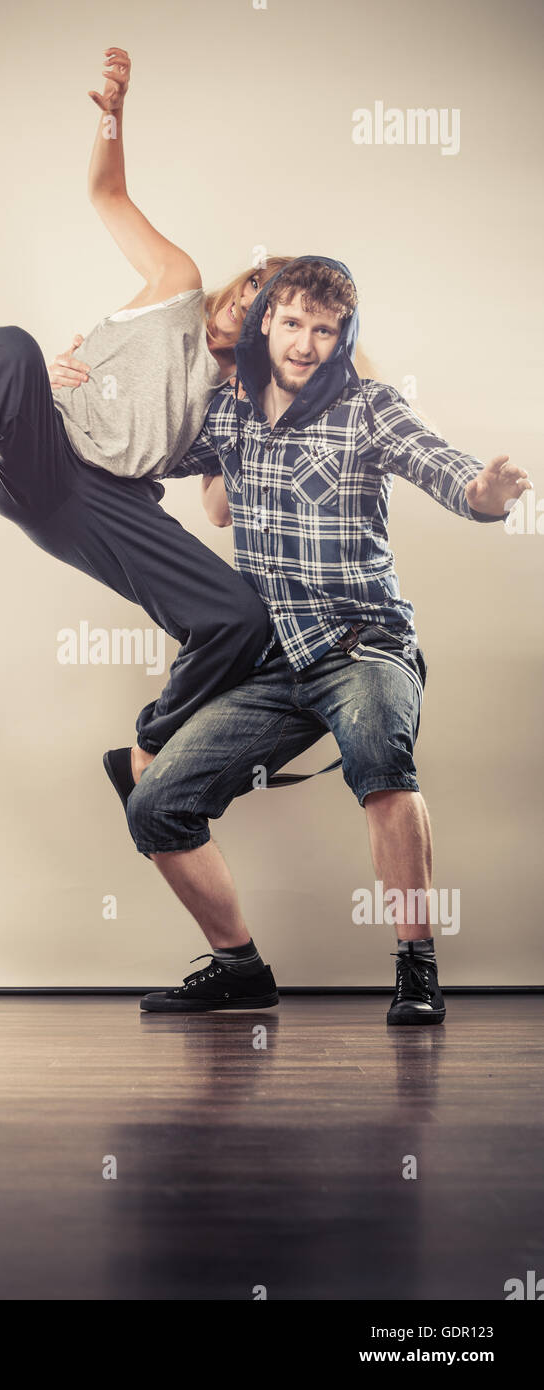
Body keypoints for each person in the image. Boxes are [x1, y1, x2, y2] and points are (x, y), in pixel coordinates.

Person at [0, 48, 289, 770]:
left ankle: (142, 754)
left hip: (104, 505)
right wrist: (113, 121)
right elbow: (108, 196)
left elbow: (219, 512)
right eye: (252, 282)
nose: (242, 301)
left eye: (263, 308)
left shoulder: (245, 403)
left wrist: (261, 442)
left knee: (240, 616)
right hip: (40, 441)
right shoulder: (178, 283)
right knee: (13, 348)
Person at [116, 255, 530, 1026]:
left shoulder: (369, 408)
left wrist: (486, 495)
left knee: (378, 754)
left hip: (366, 644)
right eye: (296, 322)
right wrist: (78, 386)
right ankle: (239, 970)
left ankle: (416, 968)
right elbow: (140, 442)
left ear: (343, 337)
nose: (307, 343)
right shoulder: (230, 411)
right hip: (276, 661)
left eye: (326, 330)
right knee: (156, 806)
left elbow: (447, 471)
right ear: (267, 319)